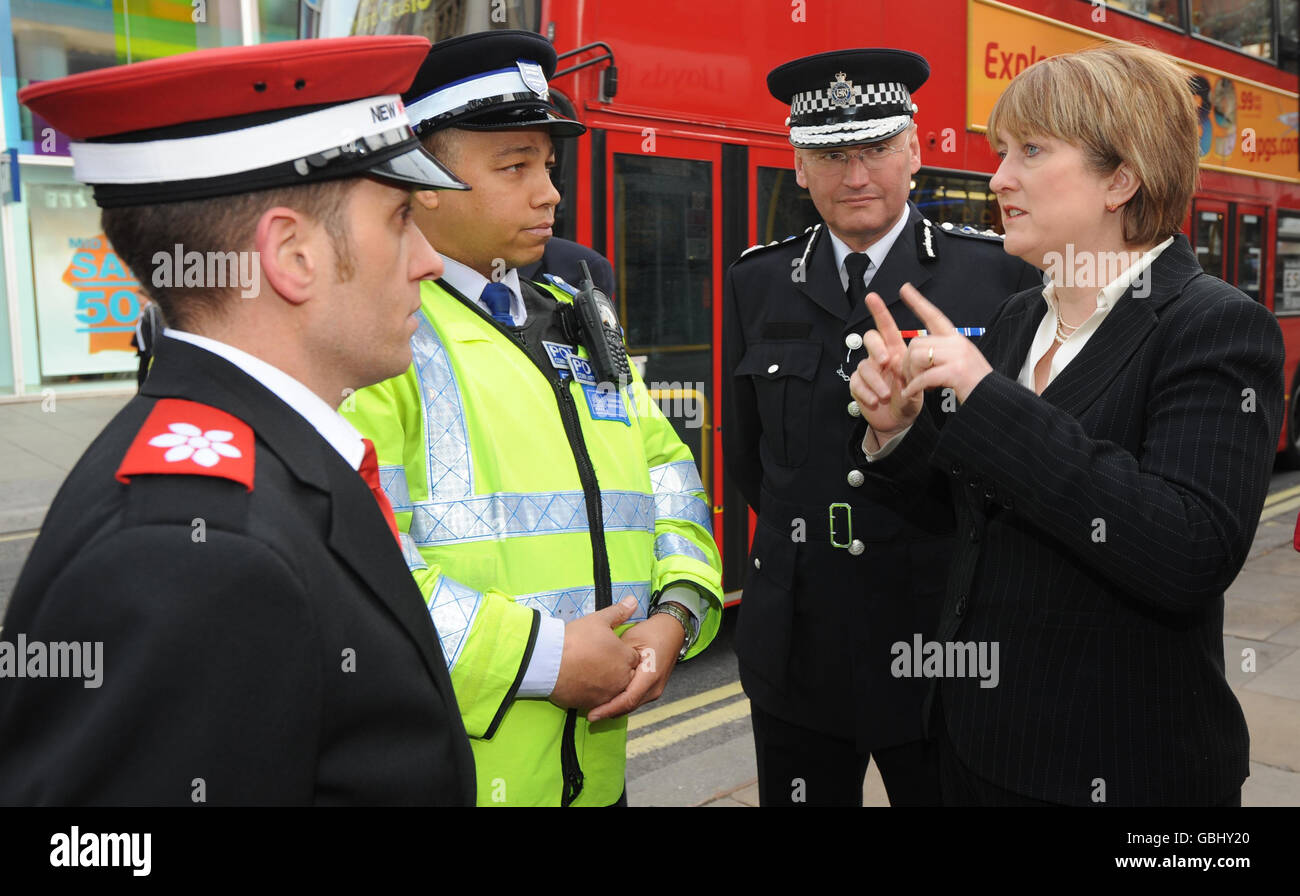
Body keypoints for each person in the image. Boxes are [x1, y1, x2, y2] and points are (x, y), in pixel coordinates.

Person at [0, 36, 478, 806]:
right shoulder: (200, 555)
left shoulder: (262, 471)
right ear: (292, 256)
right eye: (398, 218)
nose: (426, 258)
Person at [850, 44, 1284, 806]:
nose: (998, 179)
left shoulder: (1215, 326)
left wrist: (990, 405)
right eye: (1003, 152)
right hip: (974, 753)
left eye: (1032, 151)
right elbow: (973, 520)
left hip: (1126, 768)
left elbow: (1188, 550)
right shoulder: (1022, 317)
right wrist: (899, 432)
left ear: (1121, 178)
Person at [343, 30, 724, 807]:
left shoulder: (579, 312)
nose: (549, 192)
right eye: (513, 166)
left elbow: (665, 469)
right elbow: (362, 564)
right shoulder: (378, 336)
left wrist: (676, 615)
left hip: (598, 781)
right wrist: (543, 660)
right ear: (420, 182)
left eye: (547, 164)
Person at [722, 48, 1041, 807]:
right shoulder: (756, 280)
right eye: (831, 155)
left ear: (916, 151)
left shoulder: (997, 275)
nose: (855, 176)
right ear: (798, 165)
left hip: (937, 644)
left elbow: (1019, 449)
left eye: (874, 150)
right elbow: (749, 460)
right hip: (799, 650)